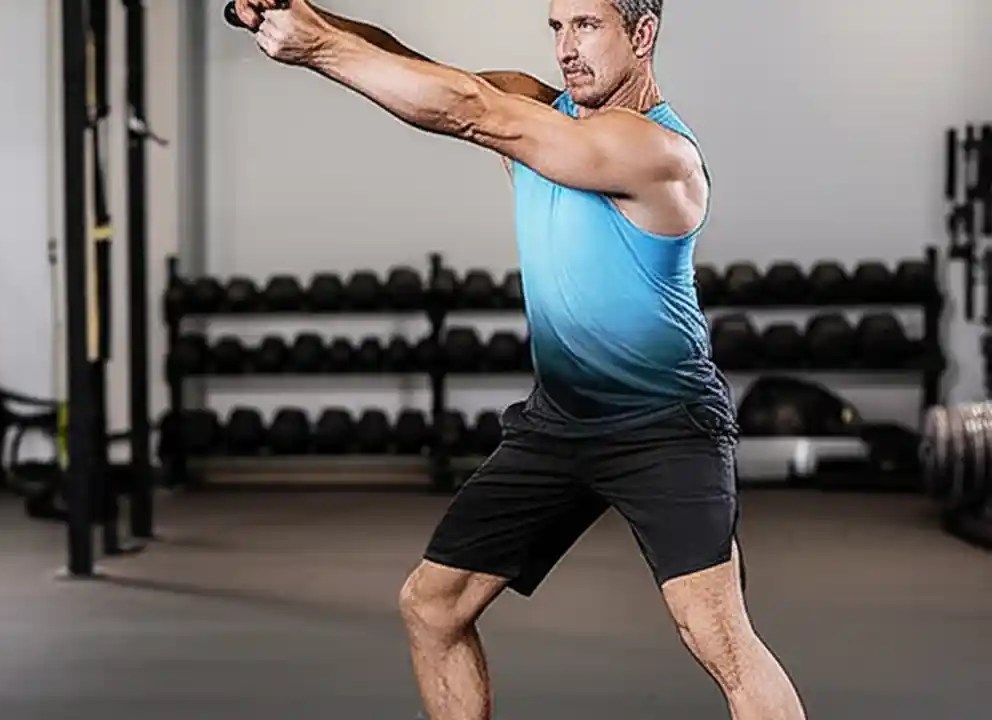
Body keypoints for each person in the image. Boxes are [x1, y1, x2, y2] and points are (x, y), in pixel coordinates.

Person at [230, 1, 807, 718]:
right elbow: (422, 73)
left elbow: (472, 111)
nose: (567, 47)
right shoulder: (541, 110)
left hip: (664, 423)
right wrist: (305, 14)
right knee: (432, 607)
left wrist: (317, 50)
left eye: (588, 26)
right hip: (561, 420)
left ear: (643, 34)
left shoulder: (655, 151)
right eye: (557, 27)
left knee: (715, 632)